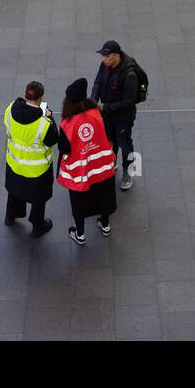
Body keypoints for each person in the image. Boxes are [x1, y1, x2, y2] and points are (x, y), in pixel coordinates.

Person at [57, 78, 117, 246]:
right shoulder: (98, 114)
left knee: (79, 204)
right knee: (104, 197)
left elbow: (63, 148)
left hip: (80, 173)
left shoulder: (67, 123)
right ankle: (105, 225)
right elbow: (109, 134)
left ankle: (80, 234)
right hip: (103, 167)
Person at [3, 80, 57, 238]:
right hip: (36, 170)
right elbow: (53, 139)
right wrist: (50, 117)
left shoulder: (10, 109)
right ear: (41, 98)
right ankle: (37, 226)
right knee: (39, 199)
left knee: (14, 191)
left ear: (26, 93)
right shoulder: (43, 123)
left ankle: (10, 216)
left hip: (14, 163)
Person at [91, 40, 140, 192]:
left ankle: (129, 173)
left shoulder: (129, 75)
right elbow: (98, 82)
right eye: (103, 56)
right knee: (110, 140)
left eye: (106, 56)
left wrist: (104, 107)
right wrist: (93, 100)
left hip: (123, 117)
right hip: (107, 114)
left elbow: (128, 102)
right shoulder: (105, 66)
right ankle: (113, 162)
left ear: (116, 56)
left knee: (125, 144)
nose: (103, 59)